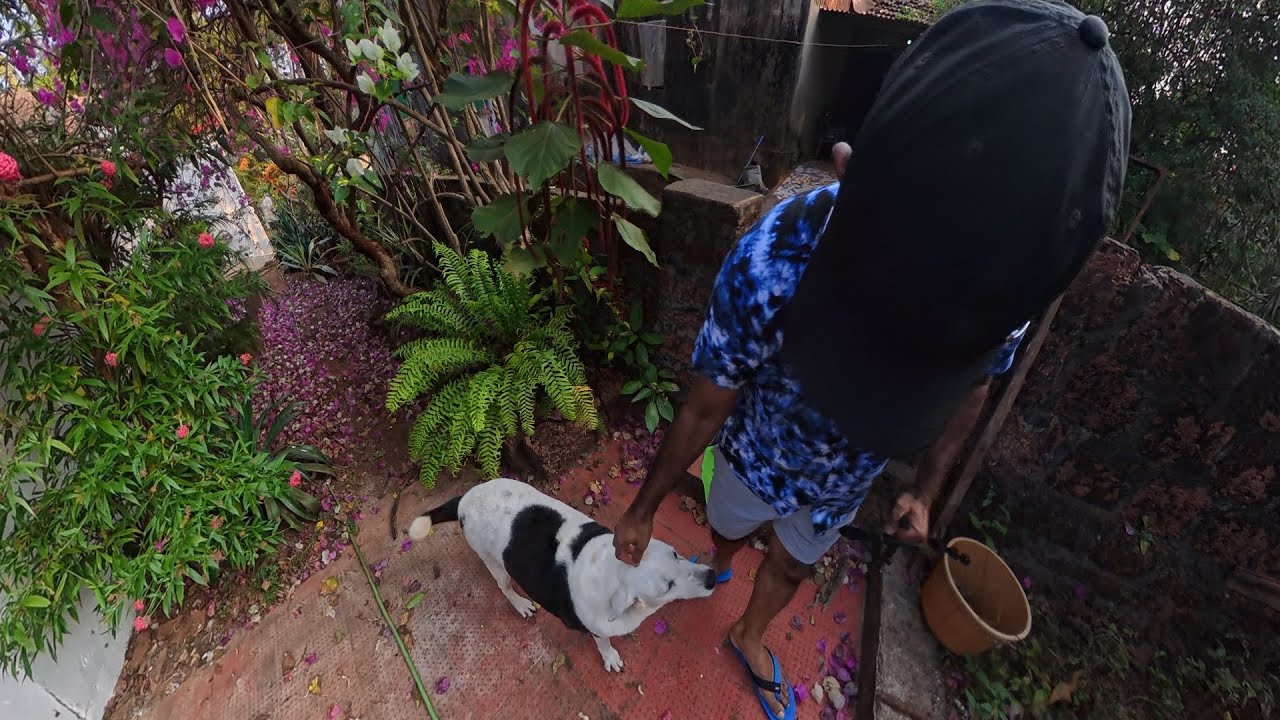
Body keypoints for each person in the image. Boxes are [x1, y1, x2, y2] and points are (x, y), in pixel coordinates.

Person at [612, 1, 1132, 719]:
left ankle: (751, 629)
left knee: (794, 563)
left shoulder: (1001, 306)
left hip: (840, 486)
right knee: (729, 526)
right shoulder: (778, 256)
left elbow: (976, 389)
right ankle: (723, 561)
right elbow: (706, 403)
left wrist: (923, 489)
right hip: (757, 454)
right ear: (847, 165)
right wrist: (643, 507)